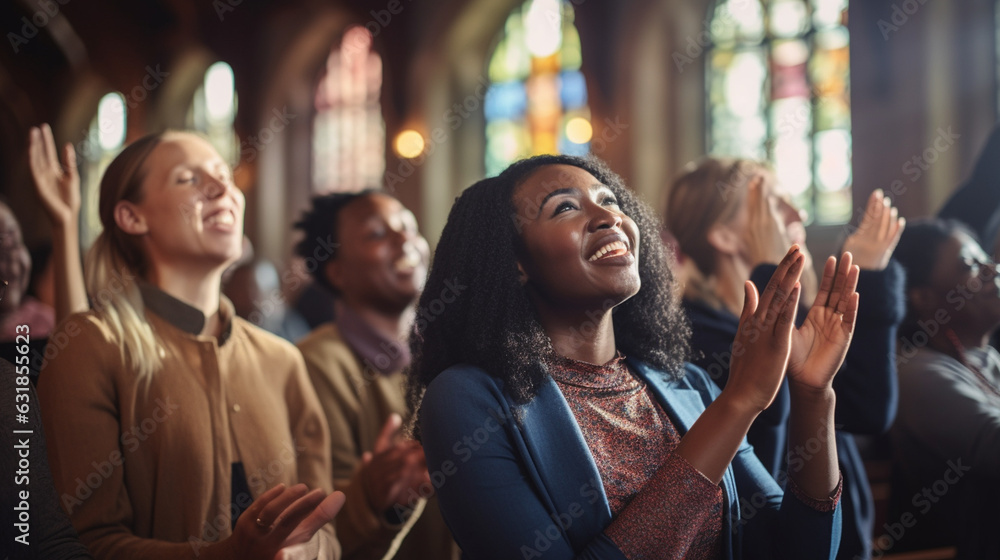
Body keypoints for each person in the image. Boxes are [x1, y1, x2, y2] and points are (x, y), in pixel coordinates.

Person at [409, 154, 857, 559]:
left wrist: (814, 395)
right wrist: (737, 404)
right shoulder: (468, 399)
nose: (608, 217)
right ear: (515, 262)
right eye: (566, 207)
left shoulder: (685, 383)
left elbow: (803, 550)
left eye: (610, 200)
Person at [36, 128, 344, 560]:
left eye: (223, 175)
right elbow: (88, 543)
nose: (223, 188)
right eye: (189, 179)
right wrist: (231, 555)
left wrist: (300, 553)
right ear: (132, 217)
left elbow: (324, 531)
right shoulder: (92, 347)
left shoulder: (282, 360)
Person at [666, 158, 905, 560]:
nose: (799, 214)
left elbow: (866, 411)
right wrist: (771, 271)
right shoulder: (695, 338)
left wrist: (869, 276)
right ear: (724, 235)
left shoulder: (801, 316)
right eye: (776, 204)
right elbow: (764, 453)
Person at [294, 190, 455, 560]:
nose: (404, 241)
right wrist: (372, 495)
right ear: (337, 270)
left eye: (408, 227)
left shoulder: (447, 349)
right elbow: (324, 517)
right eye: (376, 234)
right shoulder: (317, 363)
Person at [889, 219, 1000, 559]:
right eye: (969, 264)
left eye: (986, 259)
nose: (991, 270)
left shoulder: (986, 357)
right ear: (922, 296)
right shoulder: (916, 372)